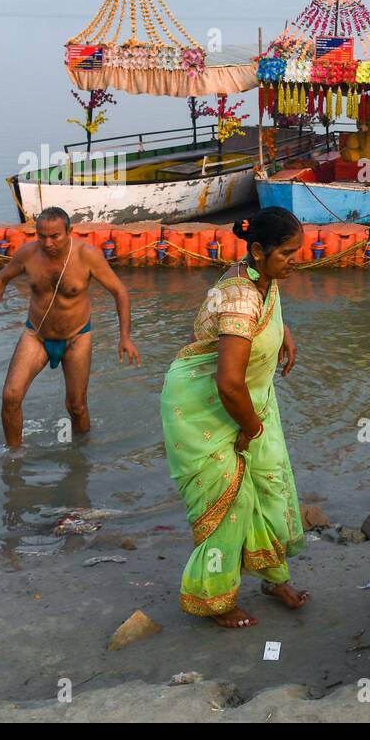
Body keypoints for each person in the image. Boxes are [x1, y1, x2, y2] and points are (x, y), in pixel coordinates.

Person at [162, 207, 308, 628]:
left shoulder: (260, 275)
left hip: (253, 399)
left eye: (299, 250)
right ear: (259, 251)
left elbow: (267, 306)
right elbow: (228, 383)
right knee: (231, 502)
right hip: (204, 407)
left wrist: (283, 335)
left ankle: (272, 577)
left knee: (269, 489)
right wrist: (251, 428)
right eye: (288, 253)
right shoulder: (240, 297)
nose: (296, 259)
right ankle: (215, 599)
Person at [0, 207, 140, 449]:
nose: (47, 243)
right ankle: (14, 456)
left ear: (69, 232)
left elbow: (119, 291)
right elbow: (0, 279)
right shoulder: (28, 254)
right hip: (36, 336)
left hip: (76, 338)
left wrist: (125, 336)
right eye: (41, 236)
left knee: (76, 406)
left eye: (55, 236)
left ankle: (81, 453)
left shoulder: (87, 256)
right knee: (10, 396)